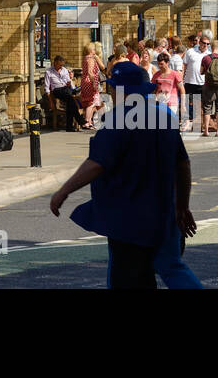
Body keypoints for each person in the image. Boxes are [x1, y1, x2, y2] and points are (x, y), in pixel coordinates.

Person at [49, 62, 199, 289]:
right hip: (164, 212)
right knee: (172, 267)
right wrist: (182, 206)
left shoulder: (118, 121)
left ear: (120, 91)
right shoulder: (164, 119)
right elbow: (183, 164)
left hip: (128, 219)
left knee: (126, 279)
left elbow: (96, 164)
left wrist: (63, 191)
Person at [44, 54, 84, 132]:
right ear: (55, 63)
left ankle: (69, 127)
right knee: (70, 98)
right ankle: (79, 120)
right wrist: (51, 101)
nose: (61, 67)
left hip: (66, 89)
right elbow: (47, 88)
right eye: (60, 65)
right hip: (57, 90)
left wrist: (68, 83)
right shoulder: (48, 72)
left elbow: (67, 80)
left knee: (70, 101)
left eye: (62, 65)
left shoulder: (64, 70)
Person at [181, 33, 209, 132]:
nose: (205, 45)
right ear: (199, 42)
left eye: (207, 44)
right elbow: (184, 65)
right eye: (204, 43)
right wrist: (181, 78)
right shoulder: (190, 51)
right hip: (190, 81)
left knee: (199, 105)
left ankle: (198, 125)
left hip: (202, 83)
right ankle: (186, 123)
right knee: (187, 104)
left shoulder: (208, 54)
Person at [201, 42, 218, 136]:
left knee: (207, 108)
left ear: (211, 47)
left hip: (208, 86)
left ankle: (206, 131)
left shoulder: (206, 58)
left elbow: (201, 72)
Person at [78, 43, 103, 131]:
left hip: (84, 81)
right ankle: (87, 122)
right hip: (89, 82)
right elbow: (90, 72)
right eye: (94, 49)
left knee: (88, 102)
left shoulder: (85, 58)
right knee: (91, 103)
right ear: (91, 50)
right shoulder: (91, 59)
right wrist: (94, 82)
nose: (95, 51)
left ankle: (89, 121)